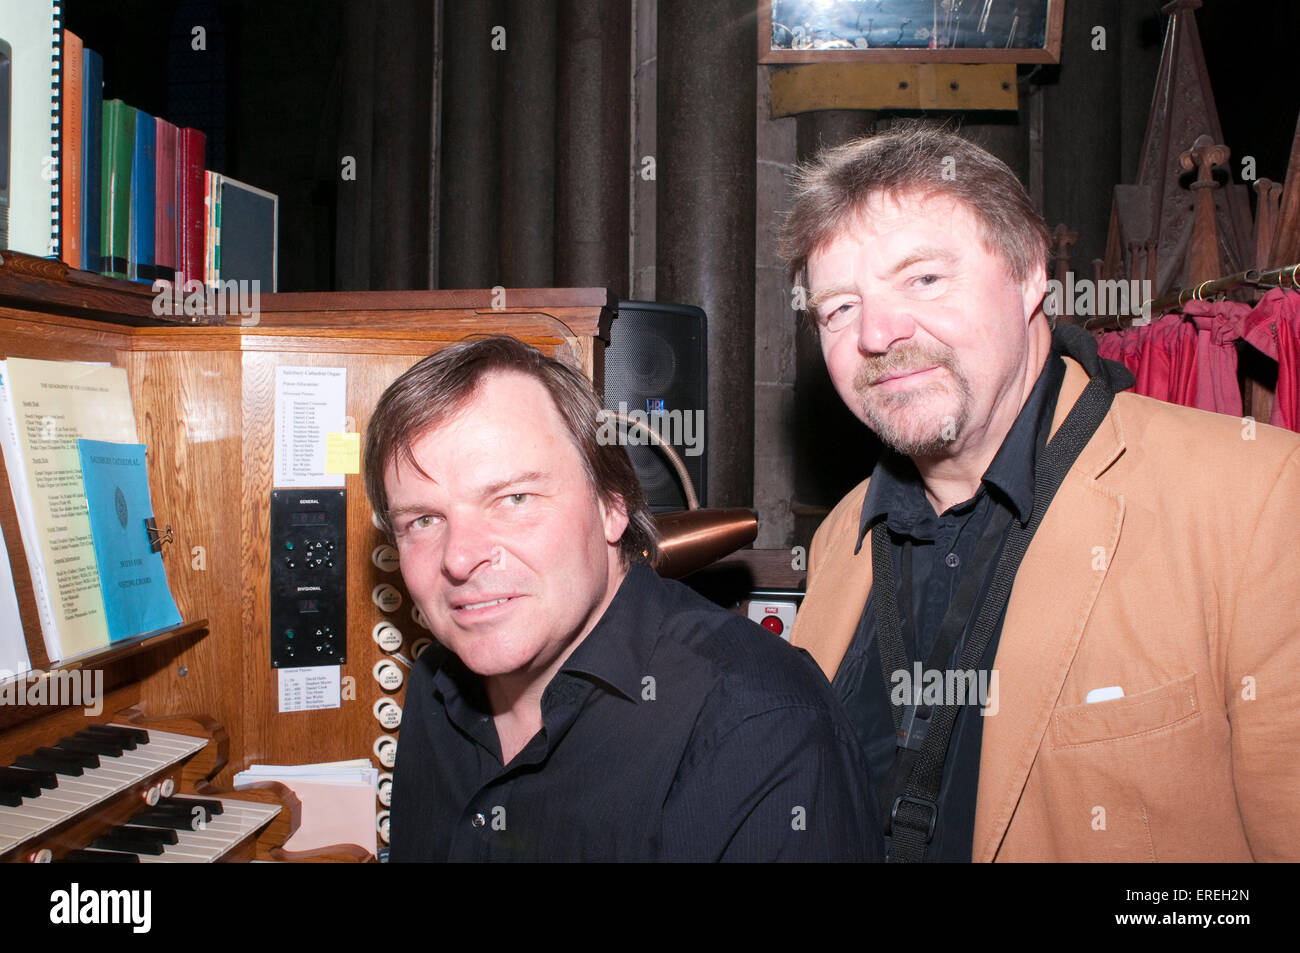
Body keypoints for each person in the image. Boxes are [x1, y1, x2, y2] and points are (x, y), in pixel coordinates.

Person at [780, 123, 1300, 862]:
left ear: (1029, 272)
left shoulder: (1257, 500)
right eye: (838, 308)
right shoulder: (839, 540)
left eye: (923, 279)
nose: (878, 332)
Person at [363, 335, 880, 861]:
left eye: (514, 498)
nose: (458, 557)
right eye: (423, 520)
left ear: (613, 506)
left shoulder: (763, 725)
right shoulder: (434, 690)